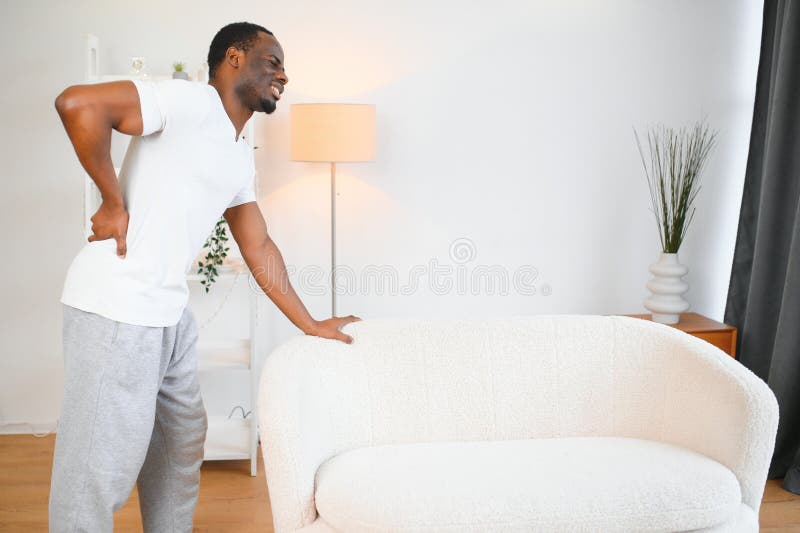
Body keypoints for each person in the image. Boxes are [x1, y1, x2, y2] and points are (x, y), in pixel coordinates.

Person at [49, 21, 359, 532]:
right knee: (97, 470)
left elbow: (257, 245)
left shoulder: (237, 150)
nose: (283, 74)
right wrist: (111, 199)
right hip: (116, 304)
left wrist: (311, 325)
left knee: (180, 444)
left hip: (168, 314)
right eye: (272, 61)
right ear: (234, 57)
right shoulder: (189, 103)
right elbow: (77, 102)